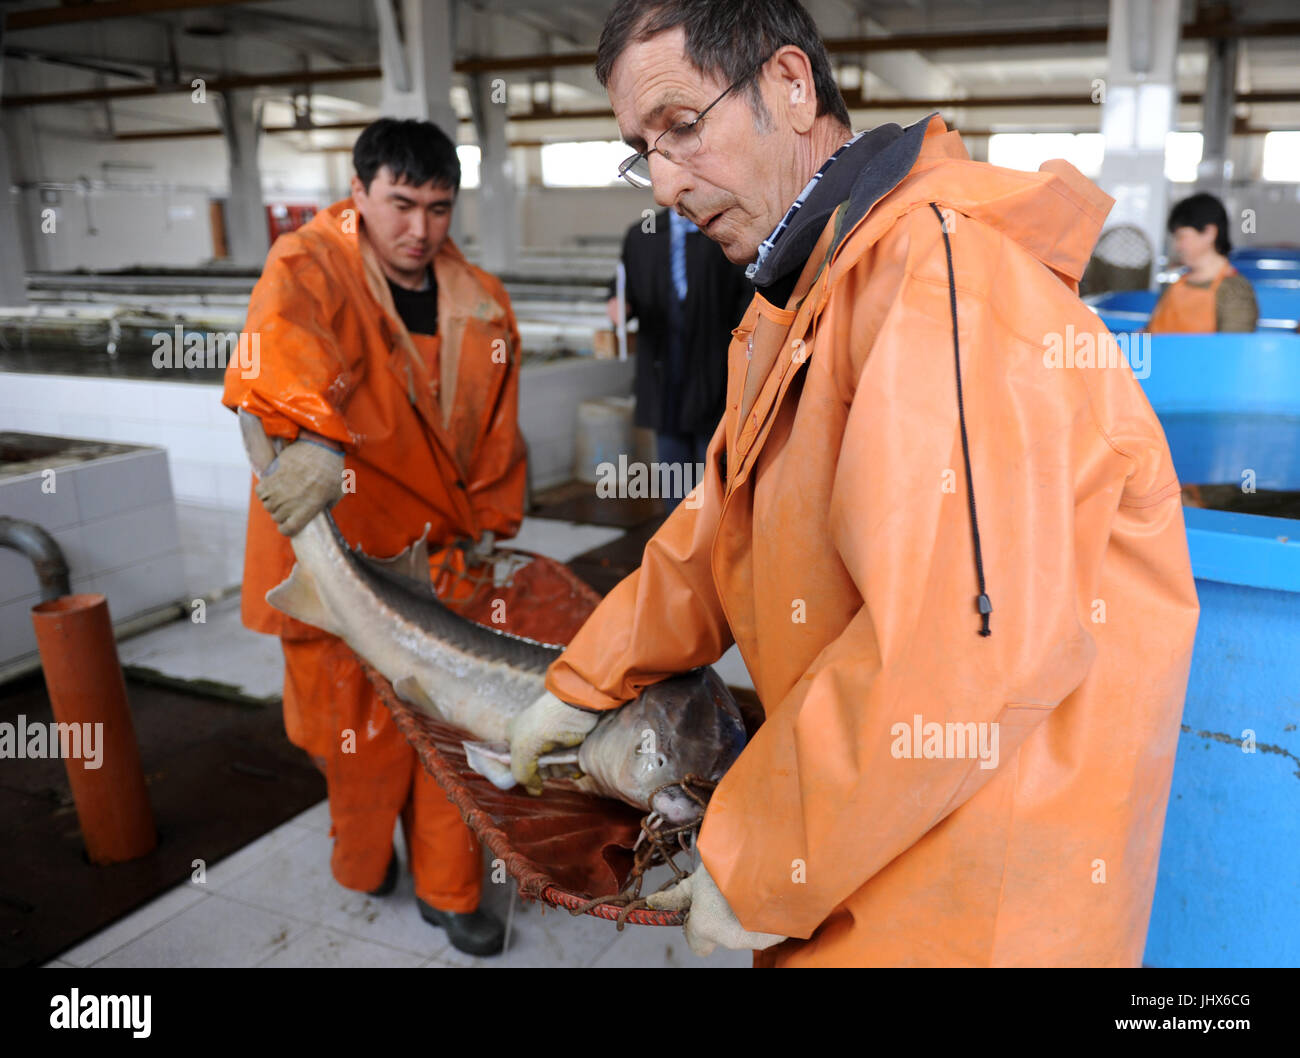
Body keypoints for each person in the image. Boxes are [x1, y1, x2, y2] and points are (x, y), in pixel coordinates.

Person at [507, 0, 1199, 967]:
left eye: (682, 127)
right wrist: (586, 682)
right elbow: (720, 528)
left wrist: (764, 856)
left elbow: (959, 649)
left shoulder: (947, 285)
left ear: (791, 85)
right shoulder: (800, 299)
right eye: (641, 150)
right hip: (863, 855)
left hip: (968, 904)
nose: (664, 183)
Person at [222, 118, 527, 956]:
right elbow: (278, 339)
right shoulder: (309, 263)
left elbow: (497, 439)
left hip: (438, 565)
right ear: (358, 194)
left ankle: (452, 890)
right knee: (358, 747)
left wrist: (492, 532)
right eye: (399, 205)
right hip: (336, 558)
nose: (420, 230)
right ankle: (365, 865)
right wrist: (315, 439)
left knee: (451, 744)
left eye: (438, 207)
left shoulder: (482, 300)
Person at [607, 207, 752, 512]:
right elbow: (622, 284)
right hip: (664, 375)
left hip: (717, 374)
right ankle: (678, 546)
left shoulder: (725, 229)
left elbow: (749, 296)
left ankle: (718, 547)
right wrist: (619, 304)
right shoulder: (642, 234)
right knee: (674, 476)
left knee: (717, 470)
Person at [1148, 192, 1258, 332]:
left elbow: (1233, 349)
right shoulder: (1177, 285)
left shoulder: (1235, 290)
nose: (1177, 246)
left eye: (1181, 237)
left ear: (1209, 233)